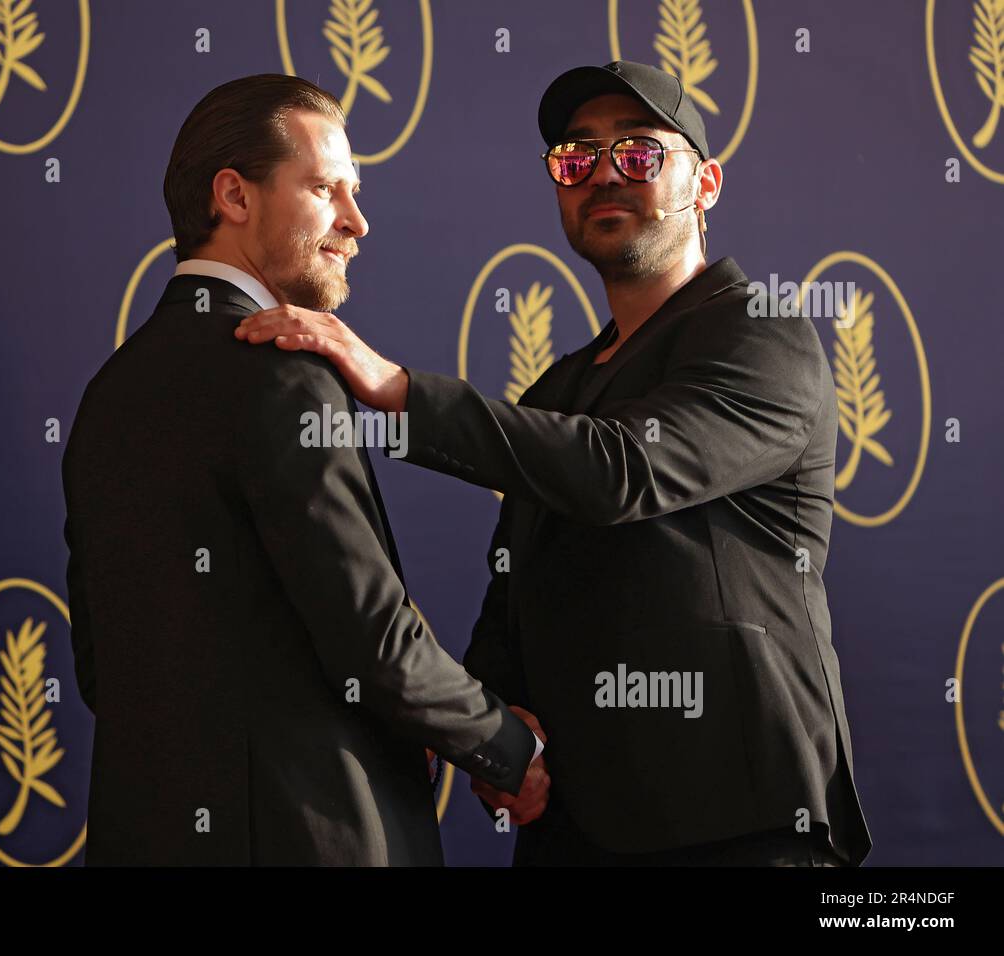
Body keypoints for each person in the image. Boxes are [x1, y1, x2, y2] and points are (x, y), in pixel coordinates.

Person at [236, 61, 873, 866]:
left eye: (639, 153)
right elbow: (519, 580)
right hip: (572, 822)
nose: (604, 173)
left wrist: (398, 390)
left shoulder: (763, 333)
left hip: (736, 823)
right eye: (577, 159)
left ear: (706, 183)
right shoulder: (564, 383)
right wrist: (487, 718)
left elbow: (621, 472)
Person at [61, 74, 547, 866]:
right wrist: (504, 746)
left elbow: (103, 672)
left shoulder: (105, 394)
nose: (357, 222)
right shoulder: (279, 369)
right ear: (234, 196)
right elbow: (375, 640)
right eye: (326, 189)